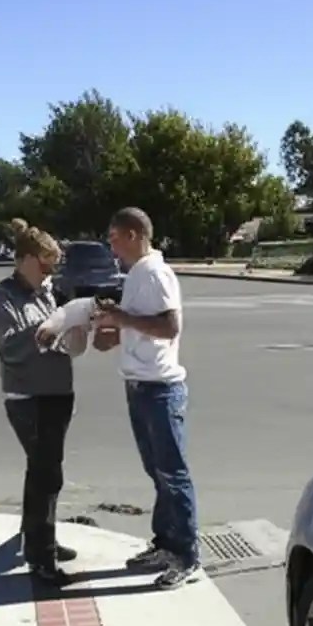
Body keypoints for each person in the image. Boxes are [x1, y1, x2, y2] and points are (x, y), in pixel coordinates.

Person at [91, 207, 199, 590]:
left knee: (174, 474)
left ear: (134, 234)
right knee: (158, 473)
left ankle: (186, 556)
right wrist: (112, 330)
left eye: (114, 236)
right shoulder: (136, 274)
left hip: (160, 389)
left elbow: (170, 326)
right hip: (139, 386)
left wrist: (122, 320)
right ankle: (165, 544)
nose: (111, 244)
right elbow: (137, 323)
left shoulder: (155, 273)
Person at [0, 218, 87, 585]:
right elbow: (10, 347)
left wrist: (74, 322)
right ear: (26, 259)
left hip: (57, 393)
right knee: (45, 473)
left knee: (47, 471)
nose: (51, 270)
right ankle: (41, 558)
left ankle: (42, 539)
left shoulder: (47, 292)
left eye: (54, 264)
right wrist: (45, 330)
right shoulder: (4, 298)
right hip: (28, 397)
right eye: (46, 263)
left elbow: (66, 335)